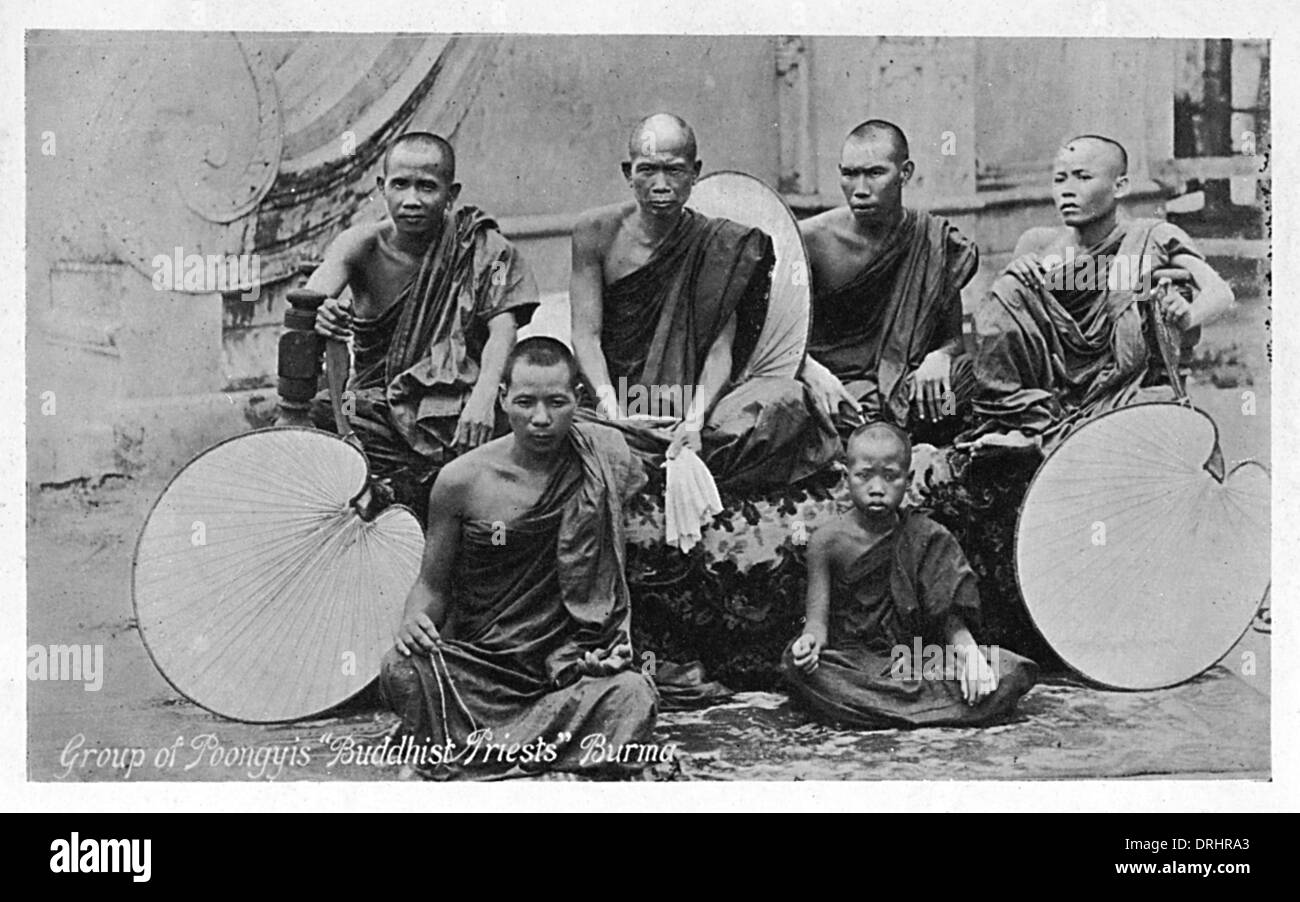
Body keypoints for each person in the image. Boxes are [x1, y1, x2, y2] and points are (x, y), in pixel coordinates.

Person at [378, 337, 659, 779]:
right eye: (525, 402)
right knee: (403, 670)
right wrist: (414, 620)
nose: (541, 419)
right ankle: (561, 754)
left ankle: (480, 750)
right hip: (483, 667)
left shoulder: (601, 456)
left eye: (557, 402)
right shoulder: (461, 481)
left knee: (632, 693)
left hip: (563, 670)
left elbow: (665, 443)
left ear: (578, 401)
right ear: (503, 397)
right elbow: (432, 587)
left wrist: (599, 652)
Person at [569, 113, 837, 490]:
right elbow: (586, 335)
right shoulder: (595, 232)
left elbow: (718, 351)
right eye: (647, 170)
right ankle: (652, 453)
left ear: (695, 173)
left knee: (786, 401)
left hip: (697, 406)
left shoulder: (719, 245)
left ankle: (664, 453)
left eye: (674, 171)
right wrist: (613, 412)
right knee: (567, 425)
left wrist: (694, 420)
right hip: (619, 402)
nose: (660, 184)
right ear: (627, 172)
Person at [305, 131, 539, 520]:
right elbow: (309, 301)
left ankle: (410, 490)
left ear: (452, 192)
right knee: (322, 416)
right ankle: (416, 487)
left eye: (427, 187)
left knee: (515, 427)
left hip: (457, 409)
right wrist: (320, 312)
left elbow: (503, 329)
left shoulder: (487, 249)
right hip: (377, 409)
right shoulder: (360, 245)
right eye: (400, 185)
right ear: (382, 188)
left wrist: (482, 401)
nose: (412, 200)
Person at [964, 134, 1234, 456]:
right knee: (1008, 287)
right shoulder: (1038, 244)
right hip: (1047, 389)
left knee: (1148, 409)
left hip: (1119, 384)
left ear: (1120, 187)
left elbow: (1220, 292)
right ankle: (1032, 426)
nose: (1067, 189)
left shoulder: (1148, 236)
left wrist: (1187, 314)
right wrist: (1018, 277)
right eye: (1059, 179)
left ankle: (1041, 439)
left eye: (1083, 177)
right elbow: (1011, 325)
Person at [781, 421, 1038, 728]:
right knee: (800, 667)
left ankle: (875, 711)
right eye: (864, 476)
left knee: (1005, 668)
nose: (877, 488)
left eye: (890, 476)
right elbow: (816, 623)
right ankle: (933, 710)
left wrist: (970, 657)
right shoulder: (826, 541)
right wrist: (808, 645)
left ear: (909, 478)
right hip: (854, 662)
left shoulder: (928, 536)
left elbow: (950, 620)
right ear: (845, 477)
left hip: (915, 659)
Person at [799, 120, 979, 444]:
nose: (861, 188)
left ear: (905, 173)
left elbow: (953, 339)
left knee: (963, 382)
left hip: (906, 388)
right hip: (834, 390)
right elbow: (772, 337)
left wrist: (939, 358)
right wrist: (809, 370)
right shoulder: (810, 241)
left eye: (875, 173)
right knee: (789, 407)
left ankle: (892, 441)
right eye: (849, 174)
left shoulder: (931, 240)